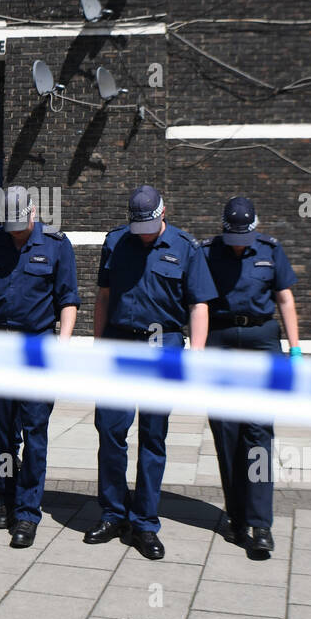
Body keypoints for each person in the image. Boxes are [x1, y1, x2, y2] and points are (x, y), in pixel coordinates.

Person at [87, 186, 216, 560]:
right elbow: (104, 297)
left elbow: (199, 306)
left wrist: (198, 357)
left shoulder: (187, 248)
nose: (142, 235)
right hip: (119, 349)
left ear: (163, 214)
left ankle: (145, 522)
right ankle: (112, 514)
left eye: (149, 227)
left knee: (153, 437)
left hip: (164, 351)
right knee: (110, 432)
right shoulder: (115, 242)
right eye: (137, 229)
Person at [0, 186, 79, 548]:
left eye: (19, 224)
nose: (14, 231)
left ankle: (28, 513)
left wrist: (62, 348)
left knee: (34, 431)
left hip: (37, 351)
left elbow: (68, 301)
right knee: (1, 436)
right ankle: (7, 499)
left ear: (32, 213)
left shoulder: (57, 246)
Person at [202, 196, 301, 555]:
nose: (239, 244)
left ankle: (260, 524)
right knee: (226, 433)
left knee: (258, 434)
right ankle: (236, 515)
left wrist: (295, 348)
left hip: (261, 343)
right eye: (233, 237)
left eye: (244, 237)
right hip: (221, 342)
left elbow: (285, 299)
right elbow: (196, 302)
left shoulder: (271, 250)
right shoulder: (208, 252)